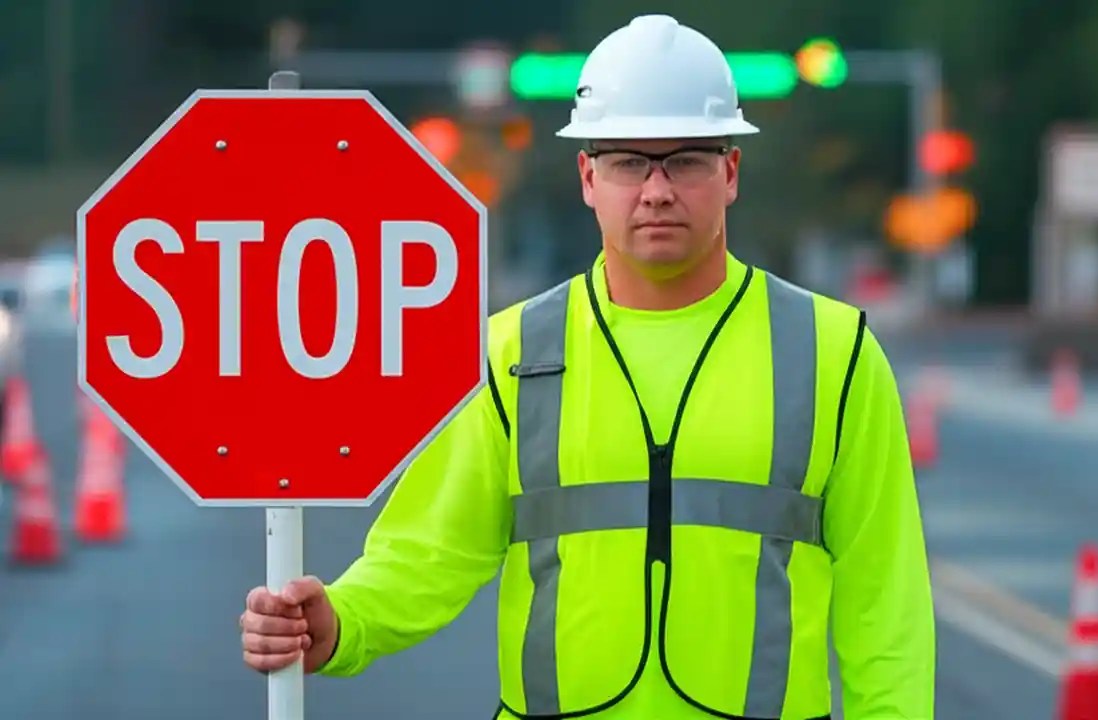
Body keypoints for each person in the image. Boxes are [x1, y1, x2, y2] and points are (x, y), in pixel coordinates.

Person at [239, 14, 935, 720]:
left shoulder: (833, 353)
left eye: (687, 159)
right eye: (629, 161)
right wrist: (342, 623)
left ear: (730, 172)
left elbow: (886, 604)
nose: (656, 190)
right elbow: (427, 553)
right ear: (588, 176)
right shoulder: (511, 353)